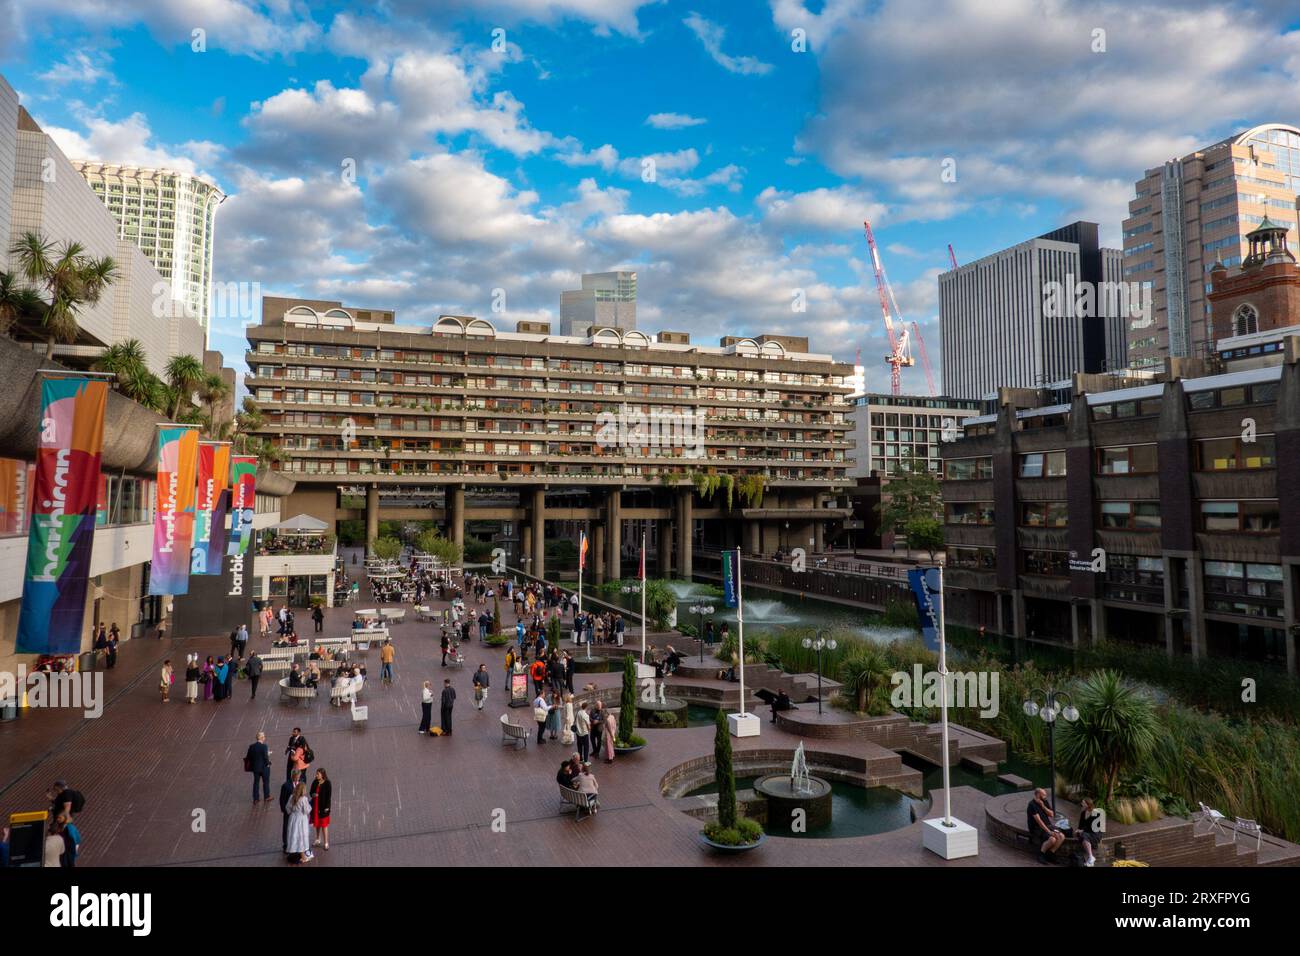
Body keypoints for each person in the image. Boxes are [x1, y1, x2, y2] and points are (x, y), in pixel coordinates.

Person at [1027, 788, 1065, 863]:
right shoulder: (1031, 805)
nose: (1045, 796)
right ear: (1038, 795)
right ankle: (1041, 854)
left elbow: (1051, 814)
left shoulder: (1044, 801)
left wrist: (1043, 806)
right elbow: (1039, 821)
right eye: (1044, 795)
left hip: (1048, 825)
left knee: (1061, 836)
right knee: (1052, 839)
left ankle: (1050, 853)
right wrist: (1049, 832)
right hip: (1037, 828)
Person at [286, 782, 313, 864]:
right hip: (301, 819)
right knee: (301, 837)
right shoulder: (304, 799)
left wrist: (293, 813)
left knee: (294, 835)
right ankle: (303, 856)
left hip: (293, 819)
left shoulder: (292, 797)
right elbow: (307, 810)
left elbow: (287, 808)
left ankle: (293, 851)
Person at [246, 731, 272, 804]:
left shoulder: (251, 746)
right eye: (264, 736)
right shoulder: (264, 746)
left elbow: (248, 757)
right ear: (262, 738)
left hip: (255, 768)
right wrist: (268, 763)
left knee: (256, 783)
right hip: (264, 767)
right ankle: (266, 796)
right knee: (266, 782)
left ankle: (256, 798)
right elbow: (265, 757)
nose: (265, 738)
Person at [1076, 797, 1102, 867]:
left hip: (1095, 833)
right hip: (1087, 832)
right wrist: (1078, 830)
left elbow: (1095, 827)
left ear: (1088, 804)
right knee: (1082, 835)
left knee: (1084, 835)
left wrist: (1083, 830)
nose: (1082, 804)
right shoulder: (1083, 813)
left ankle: (1090, 857)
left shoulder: (1096, 813)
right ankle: (1091, 860)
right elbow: (1080, 825)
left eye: (1083, 803)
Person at [310, 769, 332, 851]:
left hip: (324, 808)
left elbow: (329, 796)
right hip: (316, 807)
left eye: (318, 774)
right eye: (316, 774)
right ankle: (318, 839)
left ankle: (326, 842)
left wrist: (327, 807)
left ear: (322, 775)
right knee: (317, 823)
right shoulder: (315, 782)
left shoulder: (327, 783)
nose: (316, 775)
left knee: (324, 825)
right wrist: (313, 795)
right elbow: (311, 792)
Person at [278, 776, 295, 854]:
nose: (298, 778)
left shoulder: (300, 784)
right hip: (288, 811)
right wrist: (284, 809)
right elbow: (282, 799)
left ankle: (293, 844)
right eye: (297, 777)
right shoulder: (286, 785)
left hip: (296, 812)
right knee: (286, 827)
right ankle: (286, 844)